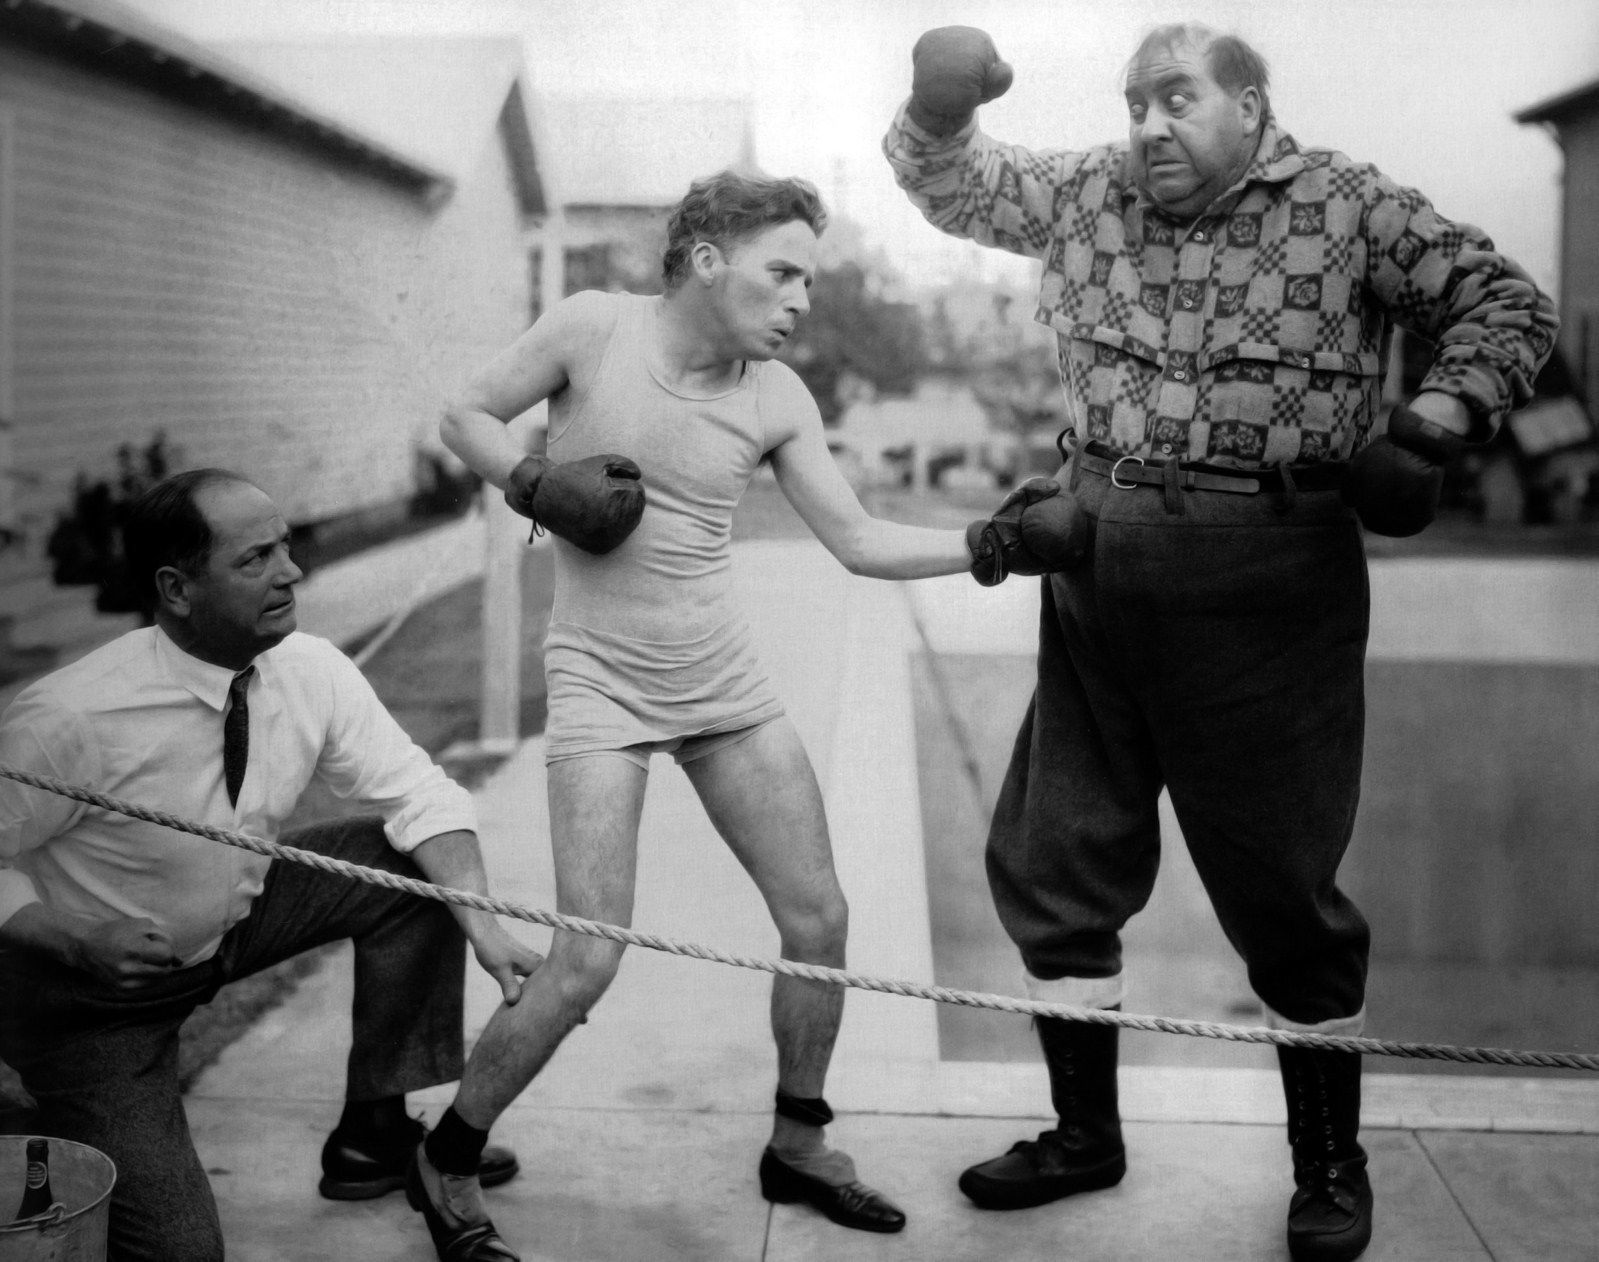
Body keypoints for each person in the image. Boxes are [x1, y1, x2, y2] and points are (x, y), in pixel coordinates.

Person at [883, 21, 1556, 1262]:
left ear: (1249, 105)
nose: (1148, 124)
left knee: (1282, 887)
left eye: (1177, 99)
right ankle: (1084, 1132)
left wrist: (1437, 416)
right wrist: (937, 107)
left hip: (1272, 586)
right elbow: (957, 184)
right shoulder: (1090, 190)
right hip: (1095, 569)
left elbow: (1507, 300)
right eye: (1135, 102)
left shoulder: (1346, 204)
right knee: (1055, 854)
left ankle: (1329, 1163)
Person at [412, 168, 1074, 1262]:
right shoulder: (593, 329)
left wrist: (989, 545)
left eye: (810, 279)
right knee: (587, 957)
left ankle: (798, 1142)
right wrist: (533, 483)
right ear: (710, 261)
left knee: (818, 919)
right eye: (786, 273)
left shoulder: (775, 396)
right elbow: (463, 414)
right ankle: (447, 1152)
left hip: (722, 688)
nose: (802, 299)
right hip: (601, 684)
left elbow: (857, 540)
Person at [0, 469, 542, 1262]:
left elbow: (420, 795)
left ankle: (373, 1134)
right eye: (255, 559)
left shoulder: (309, 667)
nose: (292, 572)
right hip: (93, 995)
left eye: (286, 547)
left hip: (232, 929)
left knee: (407, 866)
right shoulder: (70, 717)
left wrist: (483, 927)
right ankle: (49, 1114)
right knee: (185, 1253)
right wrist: (77, 942)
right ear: (176, 590)